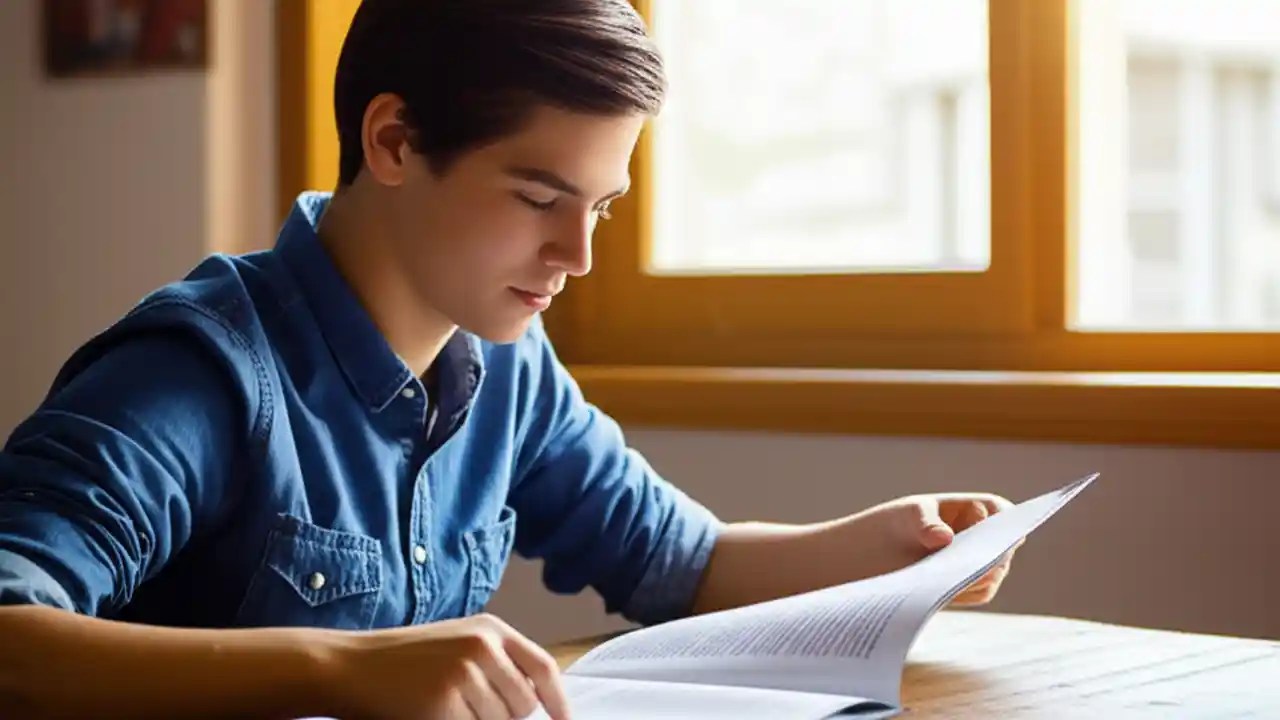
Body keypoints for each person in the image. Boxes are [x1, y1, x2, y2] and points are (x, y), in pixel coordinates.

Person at [0, 1, 1018, 718]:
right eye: (539, 199)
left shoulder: (506, 367)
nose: (575, 257)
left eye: (601, 210)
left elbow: (679, 564)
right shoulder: (200, 372)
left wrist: (881, 545)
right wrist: (341, 669)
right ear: (393, 142)